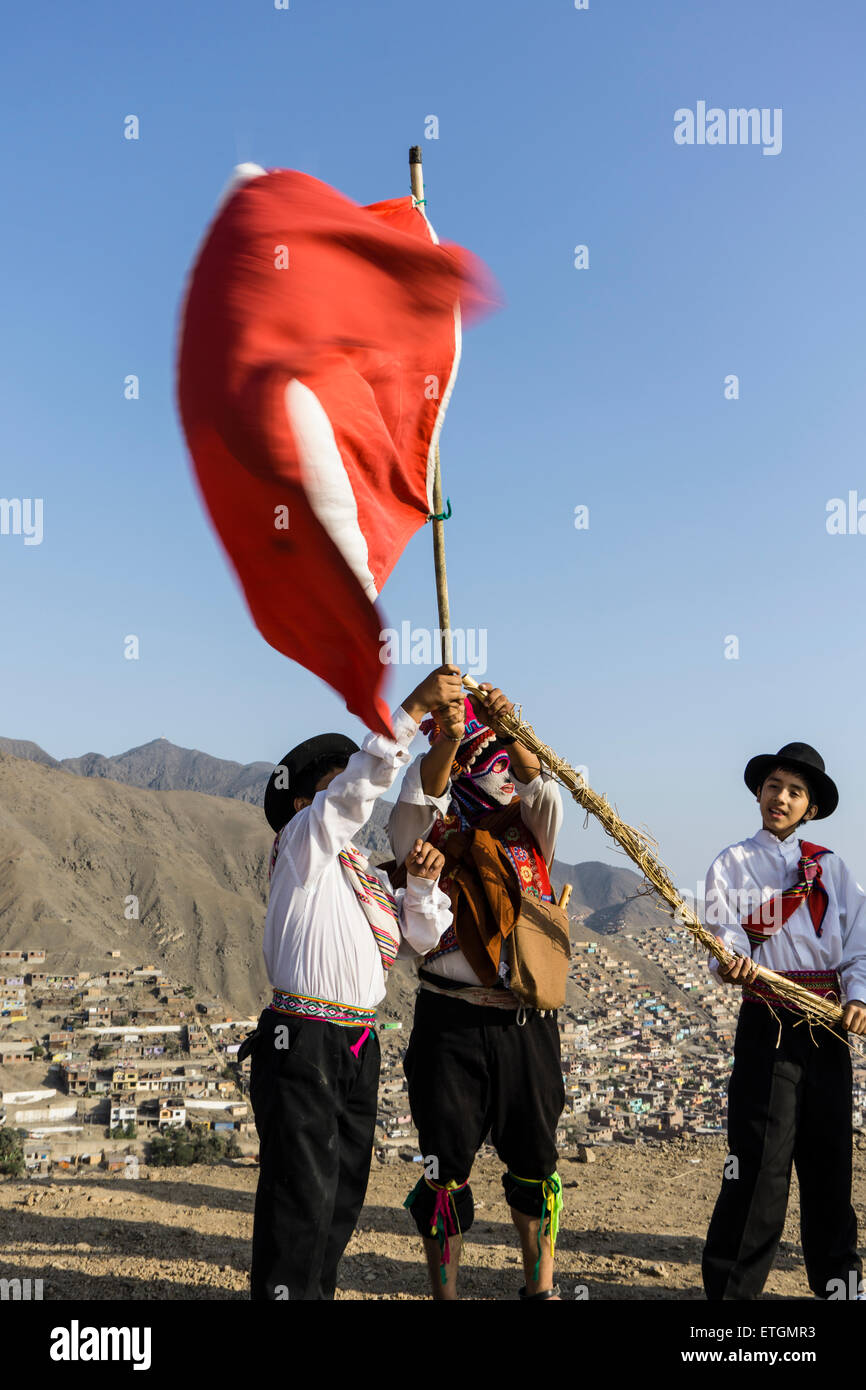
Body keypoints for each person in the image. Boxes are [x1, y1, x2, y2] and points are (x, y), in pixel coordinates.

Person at [245, 668, 458, 1301]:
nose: (346, 791)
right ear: (305, 803)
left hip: (356, 1043)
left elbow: (421, 936)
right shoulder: (302, 845)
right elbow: (351, 796)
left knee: (340, 1195)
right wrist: (412, 711)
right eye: (331, 783)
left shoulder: (362, 876)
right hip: (303, 1038)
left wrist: (420, 881)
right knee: (300, 1195)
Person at [388, 670, 567, 1301]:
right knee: (443, 1167)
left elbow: (541, 788)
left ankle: (539, 1289)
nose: (483, 771)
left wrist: (509, 726)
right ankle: (447, 1296)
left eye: (489, 757)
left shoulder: (528, 828)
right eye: (471, 756)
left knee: (534, 1161)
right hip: (449, 1018)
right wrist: (447, 737)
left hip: (524, 1021)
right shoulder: (421, 826)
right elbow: (418, 807)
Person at [702, 741, 866, 1301]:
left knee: (830, 1165)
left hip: (827, 1029)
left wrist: (860, 997)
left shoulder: (834, 871)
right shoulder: (731, 863)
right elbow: (722, 934)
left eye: (796, 791)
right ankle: (731, 1298)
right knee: (757, 1167)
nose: (782, 797)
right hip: (767, 1020)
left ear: (811, 808)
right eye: (774, 786)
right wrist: (732, 960)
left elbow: (858, 947)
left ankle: (841, 1287)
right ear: (758, 792)